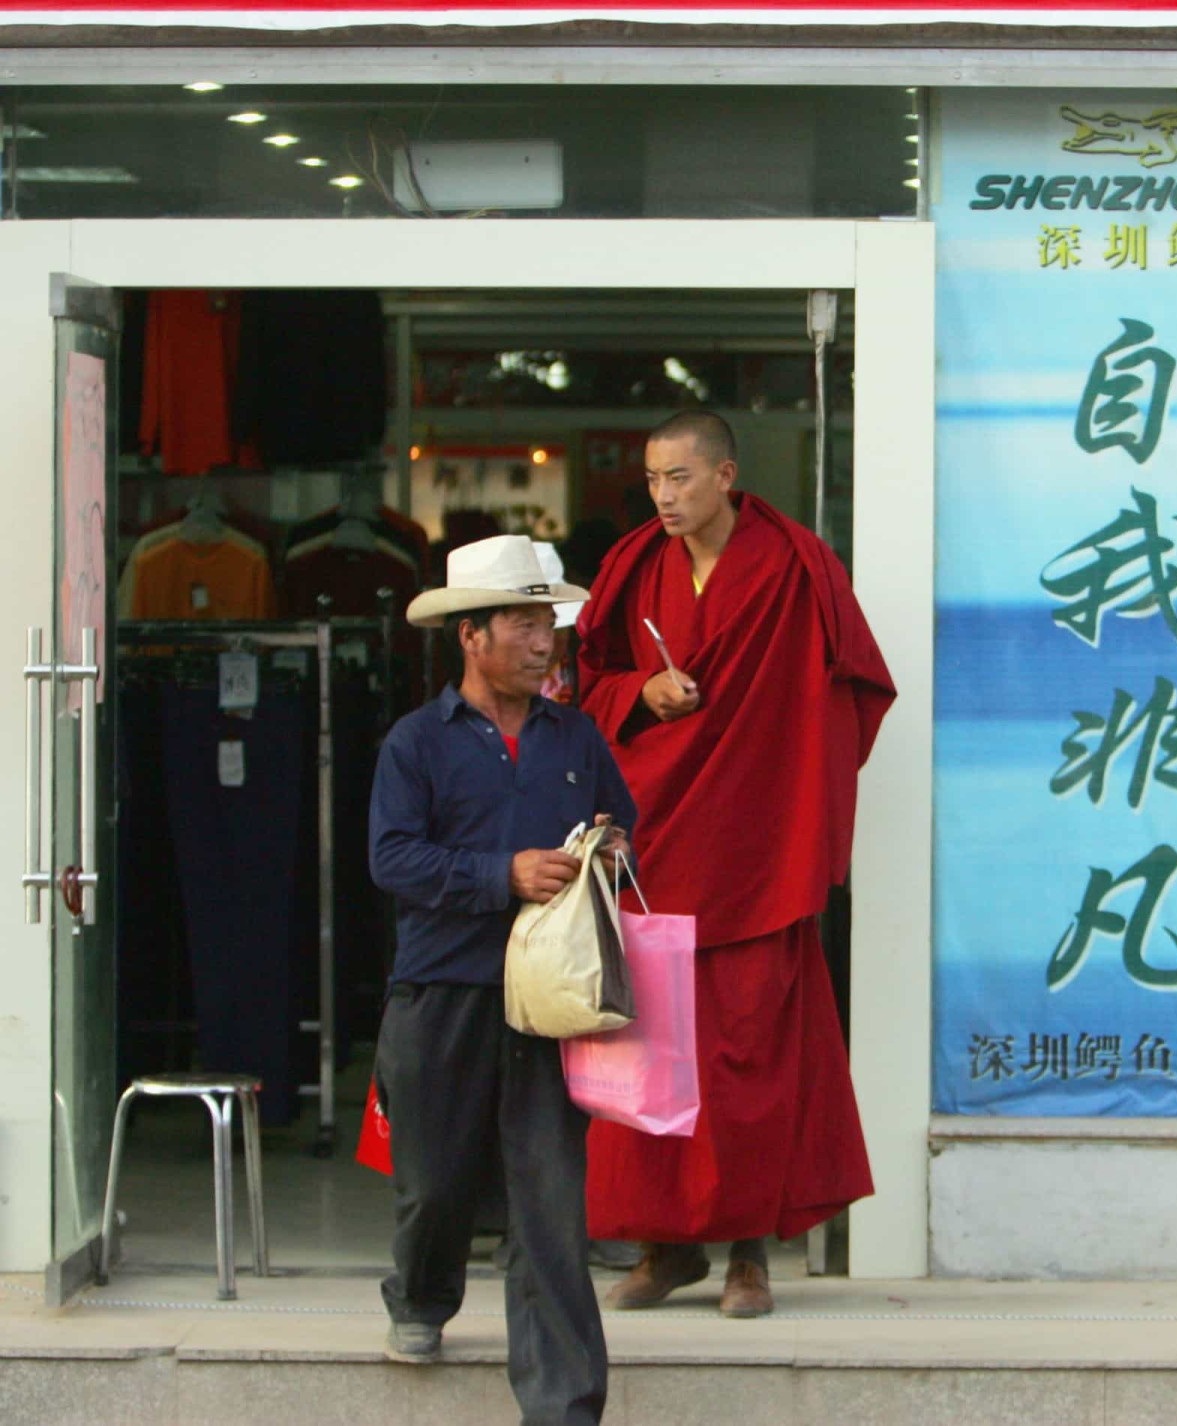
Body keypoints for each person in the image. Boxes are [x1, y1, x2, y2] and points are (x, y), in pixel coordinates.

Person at [574, 410, 895, 1317]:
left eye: (679, 478)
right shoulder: (631, 565)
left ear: (726, 475)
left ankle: (751, 1251)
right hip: (659, 839)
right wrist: (640, 690)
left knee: (750, 1046)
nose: (663, 497)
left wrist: (798, 793)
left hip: (757, 842)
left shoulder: (796, 563)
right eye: (651, 480)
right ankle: (663, 1246)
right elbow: (582, 682)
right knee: (650, 1044)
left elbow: (855, 686)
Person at [370, 533, 635, 1424]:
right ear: (470, 637)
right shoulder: (416, 743)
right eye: (521, 623)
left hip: (553, 1002)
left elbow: (624, 824)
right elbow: (392, 858)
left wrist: (607, 849)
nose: (542, 640)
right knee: (436, 1182)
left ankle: (563, 1405)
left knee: (551, 1205)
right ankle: (418, 1295)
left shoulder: (577, 737)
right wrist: (502, 875)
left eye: (545, 622)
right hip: (442, 987)